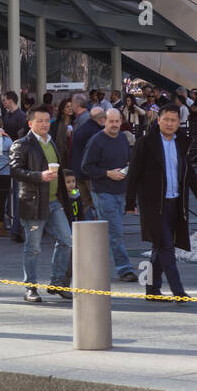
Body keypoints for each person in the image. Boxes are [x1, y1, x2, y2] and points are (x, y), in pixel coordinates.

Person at [126, 104, 193, 301]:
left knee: (160, 246)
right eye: (167, 120)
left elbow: (189, 174)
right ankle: (178, 291)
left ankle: (152, 289)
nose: (170, 124)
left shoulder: (182, 142)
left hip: (176, 203)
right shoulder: (145, 143)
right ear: (159, 120)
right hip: (153, 204)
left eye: (174, 120)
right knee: (166, 246)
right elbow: (134, 174)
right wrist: (130, 202)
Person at [9, 106, 74, 302]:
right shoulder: (22, 144)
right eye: (40, 121)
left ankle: (57, 282)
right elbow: (15, 170)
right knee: (33, 246)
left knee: (66, 240)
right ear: (30, 124)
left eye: (47, 120)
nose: (45, 124)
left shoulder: (51, 142)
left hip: (54, 201)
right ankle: (30, 287)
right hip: (33, 202)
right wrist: (39, 176)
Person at [81, 108, 137, 282]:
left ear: (121, 121)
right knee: (116, 231)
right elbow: (86, 167)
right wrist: (107, 173)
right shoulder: (96, 141)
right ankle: (124, 269)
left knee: (109, 232)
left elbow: (127, 160)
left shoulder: (122, 138)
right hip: (103, 191)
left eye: (117, 121)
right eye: (111, 121)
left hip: (120, 191)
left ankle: (90, 262)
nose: (114, 124)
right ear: (104, 121)